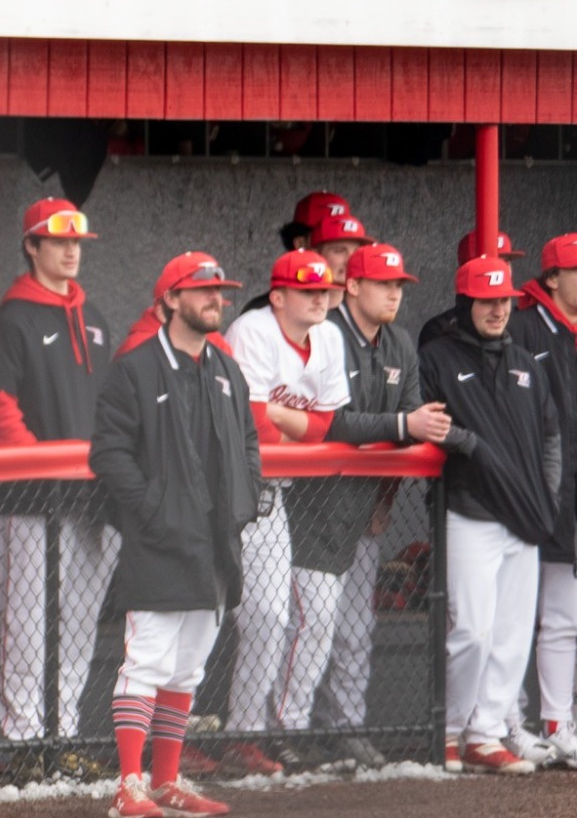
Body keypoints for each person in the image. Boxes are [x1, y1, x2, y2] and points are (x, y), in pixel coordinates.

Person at [90, 251, 260, 818]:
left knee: (188, 669)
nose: (217, 298)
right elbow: (108, 454)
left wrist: (246, 499)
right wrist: (153, 510)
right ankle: (128, 786)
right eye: (203, 289)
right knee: (146, 664)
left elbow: (249, 445)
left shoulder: (226, 368)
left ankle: (164, 782)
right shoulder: (135, 368)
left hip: (215, 543)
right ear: (169, 300)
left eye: (220, 290)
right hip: (160, 543)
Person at [289, 243, 452, 766]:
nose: (395, 294)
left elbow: (408, 425)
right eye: (385, 284)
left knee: (355, 629)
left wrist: (385, 494)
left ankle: (345, 728)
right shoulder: (326, 333)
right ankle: (284, 732)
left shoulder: (400, 343)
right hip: (309, 507)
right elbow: (337, 423)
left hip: (365, 507)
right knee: (303, 626)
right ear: (353, 286)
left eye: (400, 286)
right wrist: (401, 427)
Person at [0, 198, 118, 751]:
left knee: (80, 626)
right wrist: (41, 468)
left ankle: (59, 736)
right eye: (58, 242)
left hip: (92, 502)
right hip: (32, 501)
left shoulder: (95, 319)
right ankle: (22, 746)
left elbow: (112, 408)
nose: (70, 252)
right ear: (32, 246)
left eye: (77, 244)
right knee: (25, 628)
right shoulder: (12, 318)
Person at [421, 255, 561, 776]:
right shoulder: (437, 356)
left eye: (503, 299)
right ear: (466, 303)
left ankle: (484, 732)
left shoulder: (527, 361)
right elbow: (427, 421)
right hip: (470, 510)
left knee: (510, 635)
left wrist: (544, 497)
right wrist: (468, 442)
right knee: (472, 632)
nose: (498, 308)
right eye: (487, 300)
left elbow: (550, 437)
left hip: (522, 518)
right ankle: (450, 729)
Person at [221, 249, 347, 773]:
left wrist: (279, 417)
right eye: (306, 291)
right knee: (193, 622)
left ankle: (244, 735)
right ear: (278, 296)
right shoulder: (253, 330)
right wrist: (289, 420)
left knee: (272, 617)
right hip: (221, 494)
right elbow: (251, 425)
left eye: (323, 290)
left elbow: (330, 424)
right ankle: (168, 742)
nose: (319, 298)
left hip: (272, 500)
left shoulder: (330, 337)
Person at [517, 232, 577, 767]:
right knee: (548, 616)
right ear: (553, 277)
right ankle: (549, 722)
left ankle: (562, 720)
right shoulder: (526, 325)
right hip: (540, 492)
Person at [238, 191, 351, 314]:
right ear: (301, 244)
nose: (350, 257)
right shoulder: (264, 311)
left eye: (351, 243)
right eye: (338, 247)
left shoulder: (366, 306)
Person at [418, 230, 527, 348]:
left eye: (506, 262)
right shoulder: (439, 330)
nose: (499, 269)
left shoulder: (521, 325)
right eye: (494, 261)